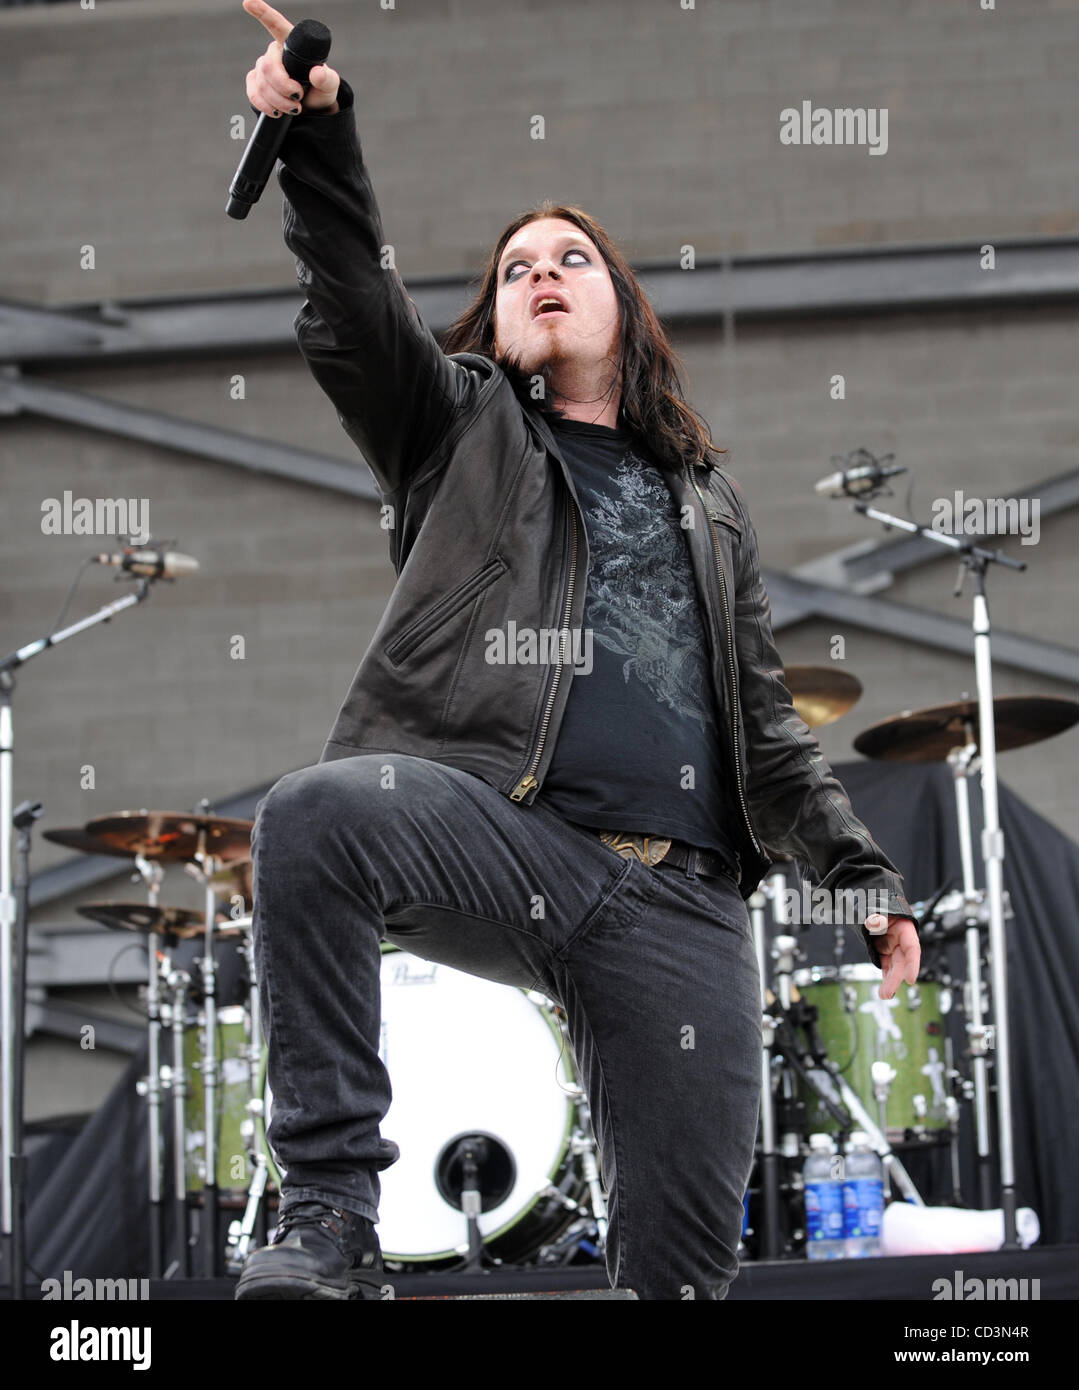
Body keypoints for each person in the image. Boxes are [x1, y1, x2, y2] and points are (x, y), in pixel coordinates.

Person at [234, 0, 921, 1301]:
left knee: (680, 1272)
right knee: (317, 815)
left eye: (573, 259)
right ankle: (328, 1216)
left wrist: (855, 869)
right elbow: (352, 305)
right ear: (494, 326)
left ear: (625, 308)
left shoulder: (706, 504)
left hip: (685, 904)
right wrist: (322, 144)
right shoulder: (462, 428)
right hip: (516, 836)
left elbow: (770, 737)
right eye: (515, 268)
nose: (541, 272)